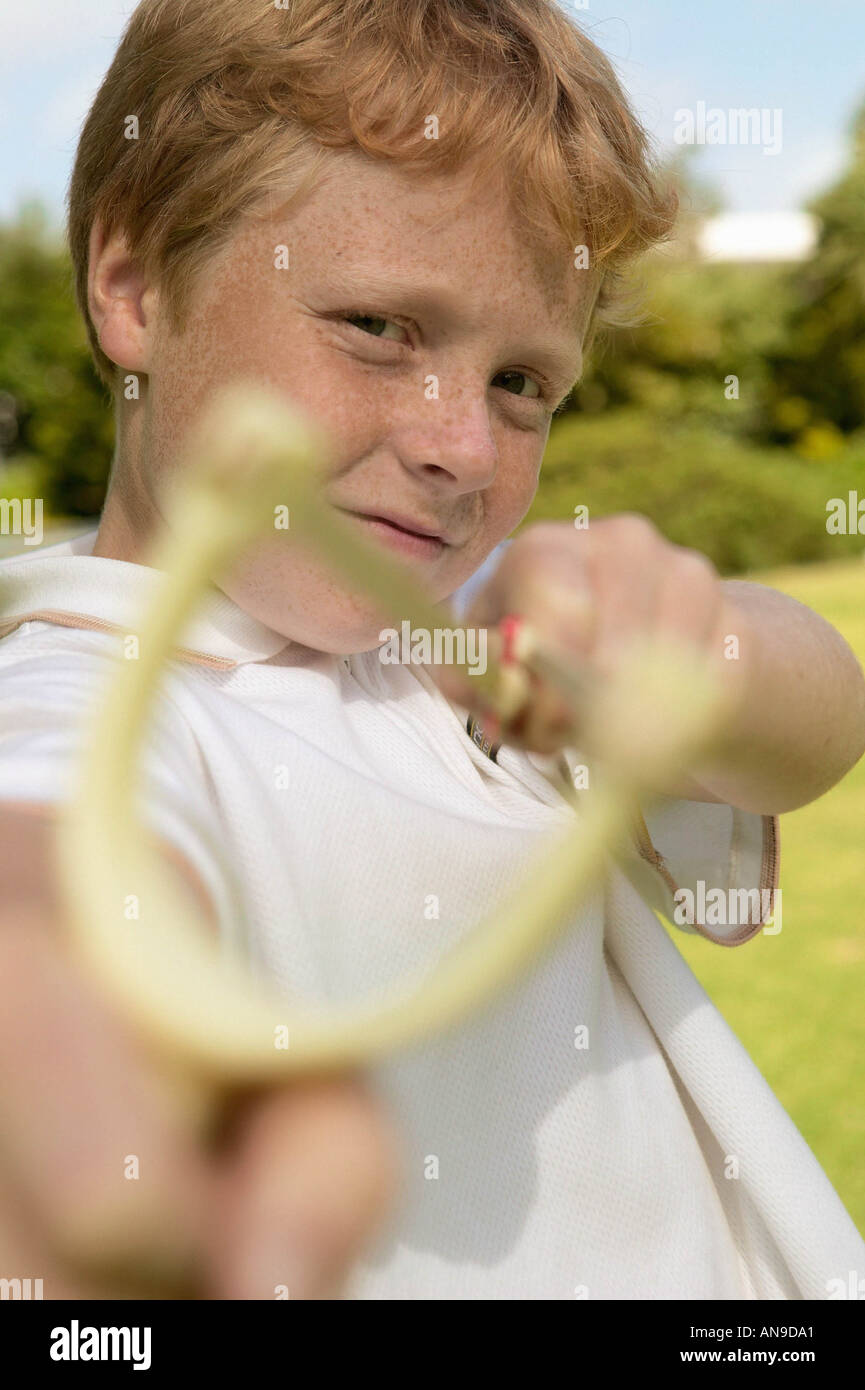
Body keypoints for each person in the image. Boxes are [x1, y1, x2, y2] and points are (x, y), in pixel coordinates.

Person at [1, 0, 864, 1300]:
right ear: (132, 284)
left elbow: (818, 723)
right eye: (377, 327)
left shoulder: (482, 655)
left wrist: (700, 648)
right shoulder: (83, 685)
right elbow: (66, 852)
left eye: (523, 384)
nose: (461, 444)